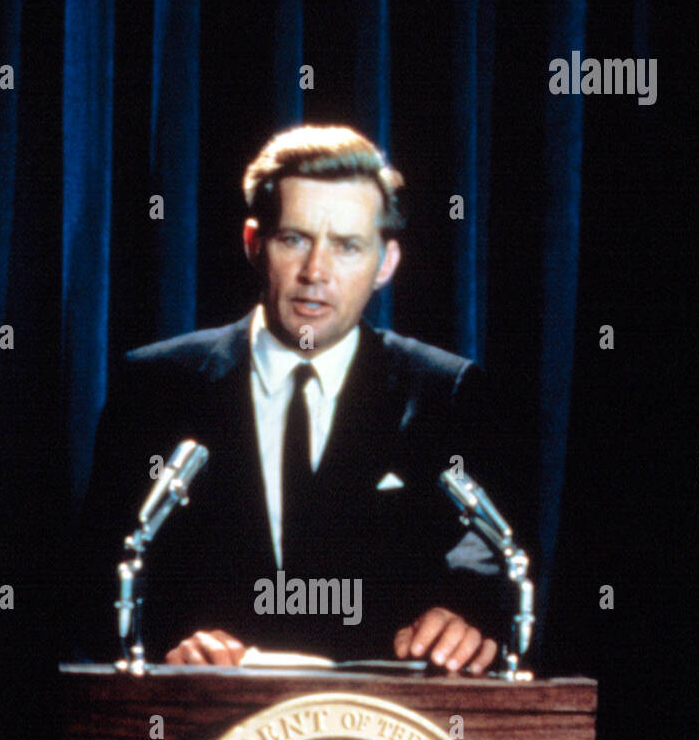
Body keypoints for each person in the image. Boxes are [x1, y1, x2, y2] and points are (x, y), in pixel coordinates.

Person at [72, 125, 517, 671]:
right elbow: (101, 574)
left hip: (384, 730)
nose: (315, 273)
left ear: (386, 263)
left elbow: (487, 554)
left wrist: (462, 614)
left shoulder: (445, 390)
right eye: (294, 239)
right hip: (201, 727)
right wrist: (171, 648)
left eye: (347, 246)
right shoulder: (156, 385)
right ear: (254, 244)